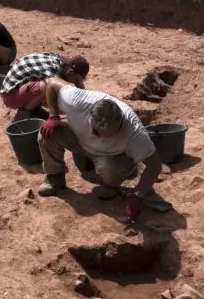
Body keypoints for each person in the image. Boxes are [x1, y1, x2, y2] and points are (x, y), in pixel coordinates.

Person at [36, 81, 162, 220]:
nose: (97, 136)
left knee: (109, 170)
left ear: (119, 127)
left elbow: (154, 165)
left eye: (105, 135)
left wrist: (138, 194)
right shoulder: (78, 101)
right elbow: (52, 84)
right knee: (46, 133)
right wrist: (53, 116)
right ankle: (55, 177)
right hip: (79, 141)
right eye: (94, 131)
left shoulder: (135, 132)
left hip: (111, 156)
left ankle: (110, 185)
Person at [0, 53, 89, 114]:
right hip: (10, 96)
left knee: (49, 89)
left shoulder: (60, 60)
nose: (75, 83)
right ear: (70, 72)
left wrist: (85, 100)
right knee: (48, 87)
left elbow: (78, 83)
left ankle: (34, 108)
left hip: (16, 87)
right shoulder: (53, 71)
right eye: (76, 80)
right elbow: (56, 95)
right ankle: (26, 111)